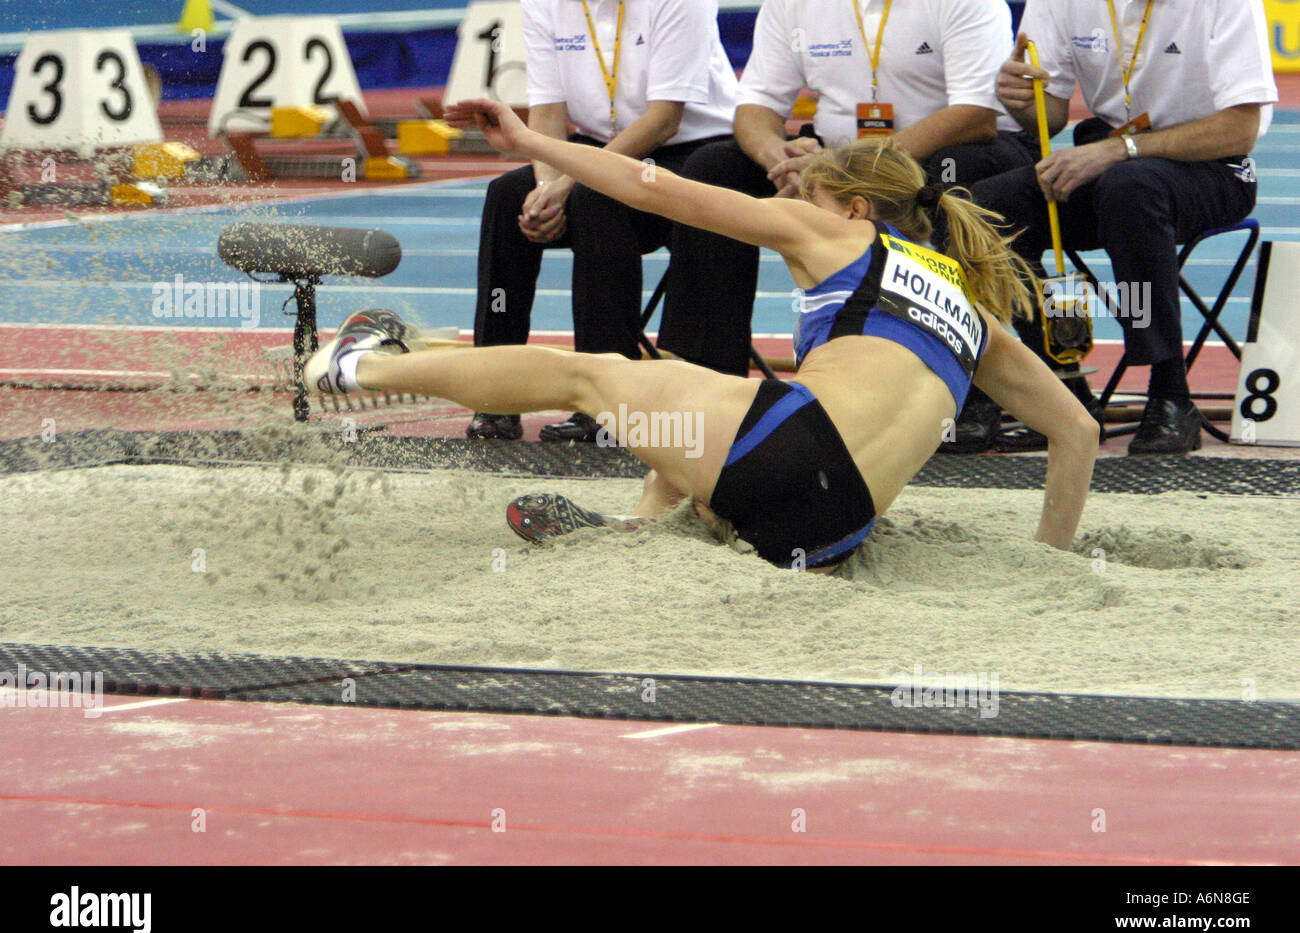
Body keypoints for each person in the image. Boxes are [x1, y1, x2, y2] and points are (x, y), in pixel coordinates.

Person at [306, 98, 1098, 570]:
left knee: (596, 374)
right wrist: (1050, 560)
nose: (798, 208)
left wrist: (535, 147)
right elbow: (1079, 431)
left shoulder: (837, 238)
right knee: (700, 401)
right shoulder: (974, 311)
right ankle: (642, 531)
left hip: (784, 457)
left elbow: (658, 188)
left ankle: (361, 371)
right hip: (828, 535)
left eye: (810, 196)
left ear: (855, 209)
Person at [656, 0, 1039, 380]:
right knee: (714, 167)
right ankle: (710, 372)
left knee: (954, 172)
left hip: (943, 151)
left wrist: (842, 168)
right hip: (835, 157)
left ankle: (969, 382)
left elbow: (974, 114)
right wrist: (783, 160)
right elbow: (756, 105)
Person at [966, 0, 1278, 454]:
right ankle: (1060, 383)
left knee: (1131, 186)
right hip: (1109, 165)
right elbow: (1049, 118)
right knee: (987, 208)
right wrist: (1021, 100)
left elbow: (1241, 130)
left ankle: (1170, 393)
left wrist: (1122, 150)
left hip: (1213, 167)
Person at [467, 0, 736, 442]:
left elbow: (663, 119)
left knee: (598, 197)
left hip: (691, 154)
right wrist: (544, 191)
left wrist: (568, 183)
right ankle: (497, 392)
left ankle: (608, 401)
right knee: (507, 197)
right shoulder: (544, 6)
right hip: (595, 152)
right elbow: (548, 113)